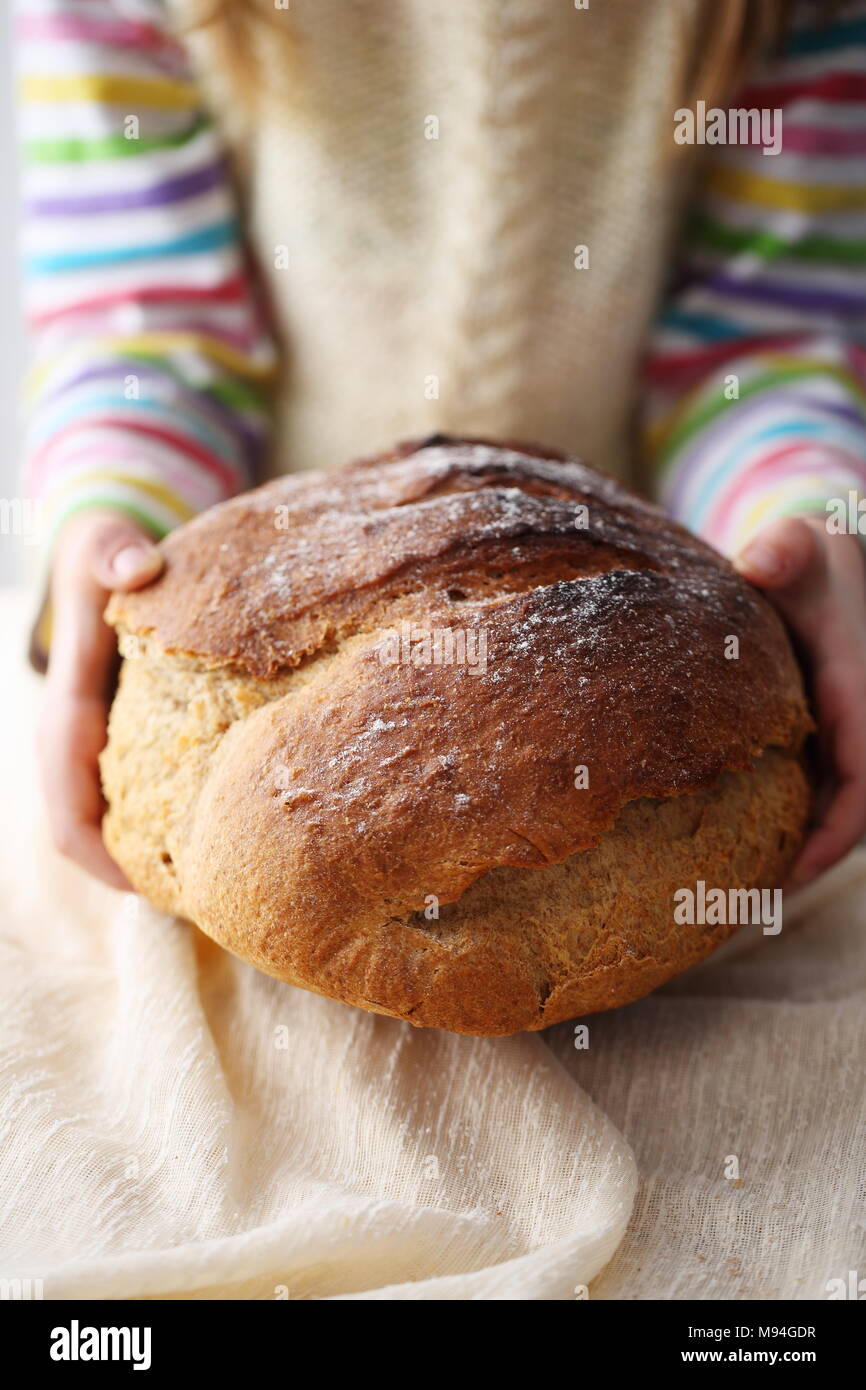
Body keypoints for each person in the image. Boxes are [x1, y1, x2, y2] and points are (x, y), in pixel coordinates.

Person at [17, 0, 866, 891]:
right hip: (268, 655)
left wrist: (798, 512)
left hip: (639, 665)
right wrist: (116, 516)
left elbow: (757, 340)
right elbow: (152, 335)